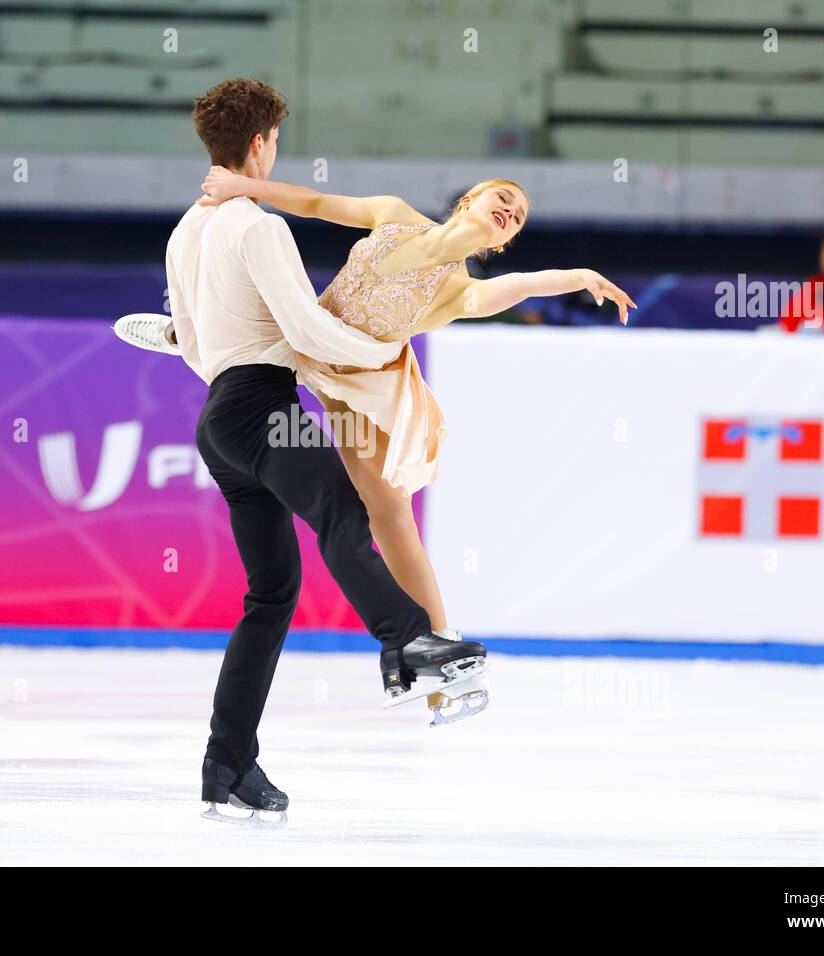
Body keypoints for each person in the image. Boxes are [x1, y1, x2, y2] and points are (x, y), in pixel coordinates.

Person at [159, 79, 487, 824]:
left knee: (272, 595)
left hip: (220, 416)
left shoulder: (184, 231)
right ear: (261, 144)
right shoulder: (257, 227)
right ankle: (409, 640)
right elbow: (306, 332)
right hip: (262, 410)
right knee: (344, 508)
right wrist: (373, 347)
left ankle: (226, 761)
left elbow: (194, 344)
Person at [191, 166, 635, 638]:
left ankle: (439, 641)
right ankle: (189, 333)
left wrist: (580, 275)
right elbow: (318, 203)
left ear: (504, 242)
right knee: (263, 297)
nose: (510, 211)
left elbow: (522, 285)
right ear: (469, 200)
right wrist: (245, 187)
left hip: (361, 382)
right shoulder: (394, 214)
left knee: (387, 514)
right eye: (504, 198)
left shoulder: (462, 292)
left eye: (519, 216)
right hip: (307, 332)